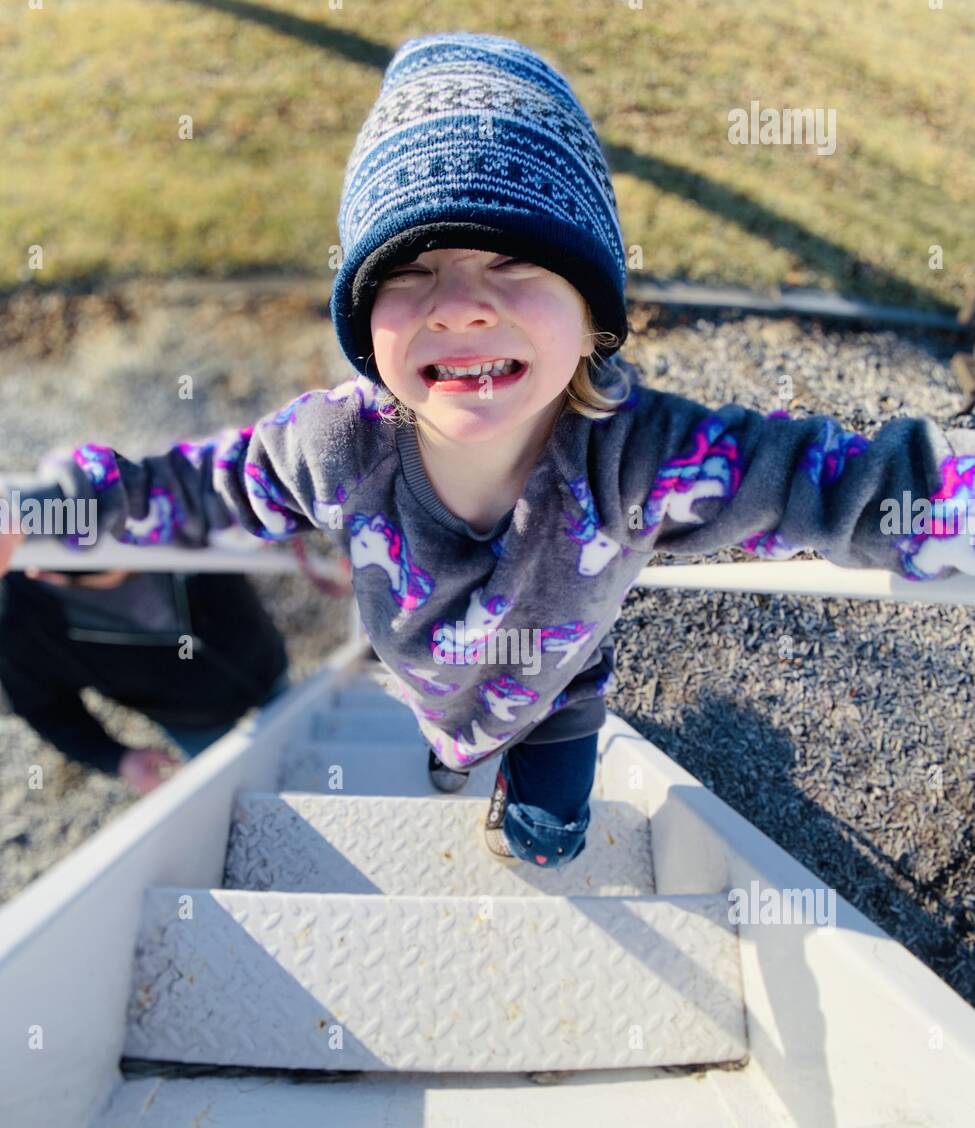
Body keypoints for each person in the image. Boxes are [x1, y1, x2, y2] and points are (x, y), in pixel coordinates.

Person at [2, 31, 974, 860]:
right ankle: (455, 759)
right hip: (427, 689)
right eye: (413, 270)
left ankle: (534, 802)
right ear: (364, 319)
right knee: (448, 759)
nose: (462, 302)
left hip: (558, 697)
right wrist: (50, 510)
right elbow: (187, 490)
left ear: (594, 316)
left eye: (514, 260)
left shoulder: (645, 456)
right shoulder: (338, 445)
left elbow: (832, 483)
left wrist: (944, 502)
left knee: (547, 836)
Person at [0, 564, 290, 793]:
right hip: (194, 723)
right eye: (120, 573)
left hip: (265, 663)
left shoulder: (160, 504)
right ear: (44, 573)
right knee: (242, 789)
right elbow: (46, 708)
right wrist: (118, 758)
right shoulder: (17, 623)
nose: (138, 565)